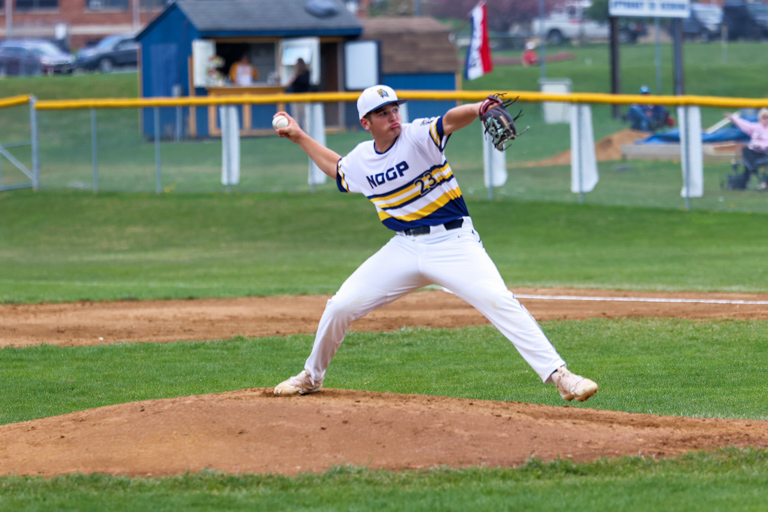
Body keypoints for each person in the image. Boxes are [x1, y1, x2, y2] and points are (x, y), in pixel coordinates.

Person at [270, 85, 599, 403]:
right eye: (382, 113)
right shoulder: (361, 160)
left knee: (499, 300)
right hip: (404, 247)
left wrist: (479, 108)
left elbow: (450, 120)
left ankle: (561, 377)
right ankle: (311, 377)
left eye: (394, 109)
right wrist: (299, 136)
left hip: (454, 242)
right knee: (340, 306)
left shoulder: (416, 137)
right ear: (366, 123)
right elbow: (336, 168)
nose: (393, 117)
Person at [725, 108, 768, 190]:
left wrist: (763, 147)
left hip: (766, 153)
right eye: (764, 117)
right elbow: (744, 124)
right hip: (754, 153)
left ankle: (765, 183)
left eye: (767, 117)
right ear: (760, 118)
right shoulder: (756, 127)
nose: (766, 120)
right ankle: (741, 184)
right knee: (746, 153)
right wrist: (733, 118)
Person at [286, 58, 312, 130]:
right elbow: (291, 84)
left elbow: (304, 83)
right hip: (295, 96)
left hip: (303, 96)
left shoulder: (306, 73)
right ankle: (296, 130)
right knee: (296, 115)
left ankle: (306, 131)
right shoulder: (296, 73)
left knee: (304, 116)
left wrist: (297, 77)